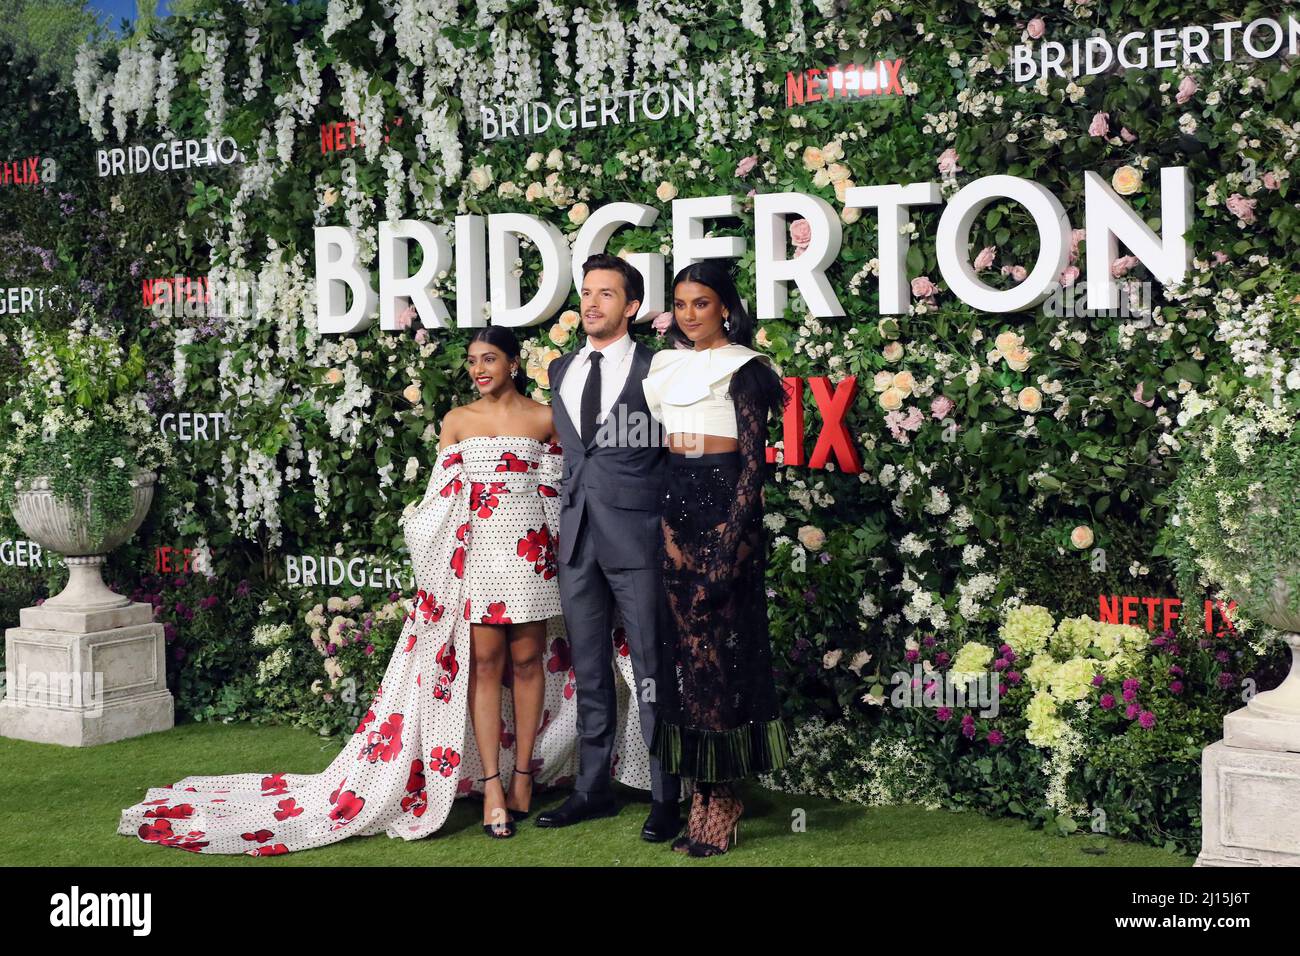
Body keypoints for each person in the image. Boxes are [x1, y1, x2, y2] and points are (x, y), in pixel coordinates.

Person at [116, 327, 651, 854]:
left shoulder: (544, 418)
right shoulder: (457, 422)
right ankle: (490, 782)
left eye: (489, 359)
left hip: (530, 557)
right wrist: (438, 571)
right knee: (485, 665)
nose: (479, 369)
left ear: (513, 363)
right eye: (471, 361)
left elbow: (563, 494)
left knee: (531, 662)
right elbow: (439, 500)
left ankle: (525, 776)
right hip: (479, 559)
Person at [641, 260, 791, 857]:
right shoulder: (668, 364)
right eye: (679, 305)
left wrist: (728, 547)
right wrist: (668, 529)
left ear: (725, 306)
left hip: (726, 508)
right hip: (676, 503)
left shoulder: (747, 369)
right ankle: (704, 791)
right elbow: (667, 462)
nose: (688, 315)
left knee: (716, 657)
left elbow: (754, 468)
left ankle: (723, 794)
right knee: (688, 659)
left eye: (701, 303)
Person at [534, 253, 683, 842]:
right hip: (576, 538)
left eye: (605, 294)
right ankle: (592, 788)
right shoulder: (560, 367)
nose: (590, 304)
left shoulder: (660, 368)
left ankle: (667, 794)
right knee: (590, 670)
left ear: (631, 306)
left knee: (653, 670)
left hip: (640, 537)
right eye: (585, 292)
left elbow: (678, 454)